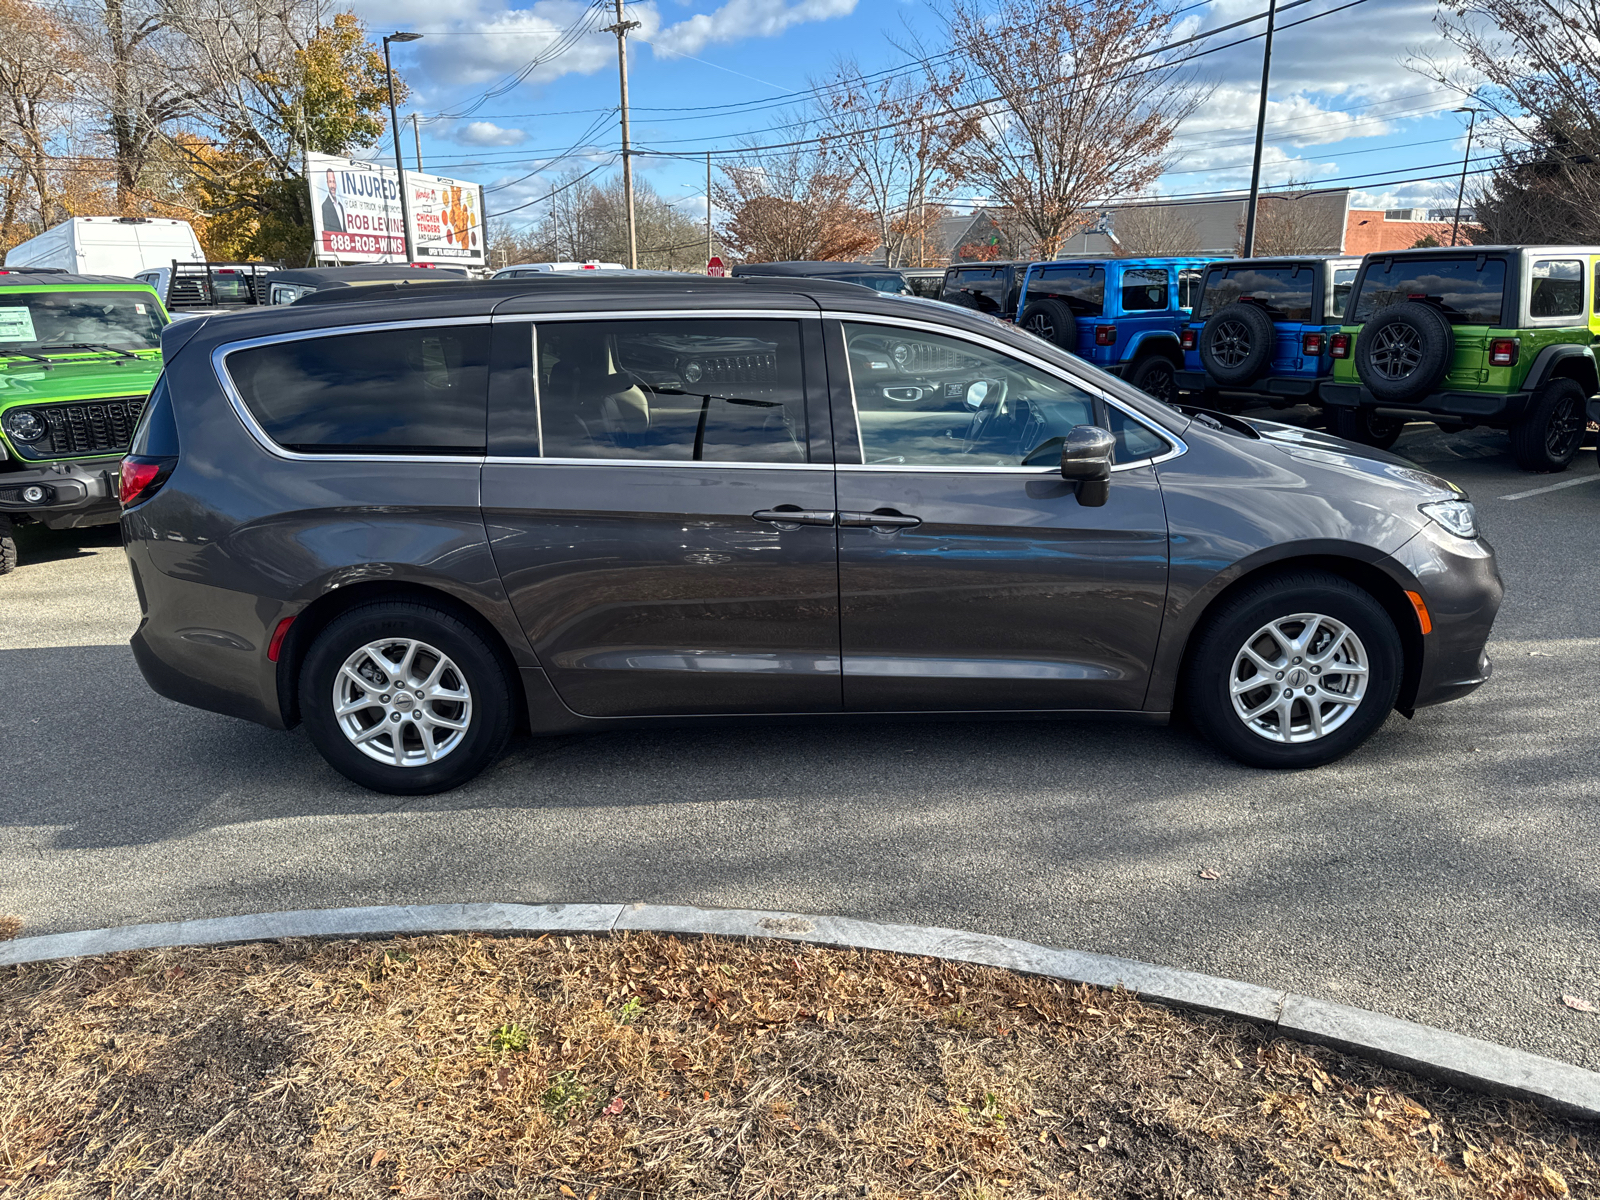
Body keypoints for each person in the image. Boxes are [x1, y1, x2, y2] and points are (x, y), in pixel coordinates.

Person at [320, 170, 346, 234]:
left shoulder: (340, 206)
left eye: (334, 182)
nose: (332, 186)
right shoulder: (325, 206)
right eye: (330, 182)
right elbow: (327, 231)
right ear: (327, 183)